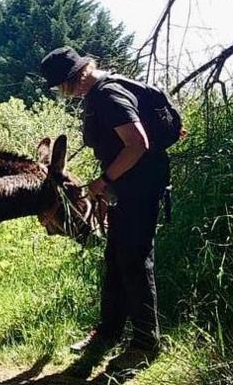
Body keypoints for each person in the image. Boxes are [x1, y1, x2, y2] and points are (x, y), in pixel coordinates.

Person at [39, 46, 169, 364]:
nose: (62, 93)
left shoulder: (108, 96)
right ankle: (108, 333)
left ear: (74, 78)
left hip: (139, 191)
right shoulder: (100, 94)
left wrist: (103, 181)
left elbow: (137, 144)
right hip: (126, 190)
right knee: (115, 261)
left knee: (136, 263)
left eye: (61, 86)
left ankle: (145, 344)